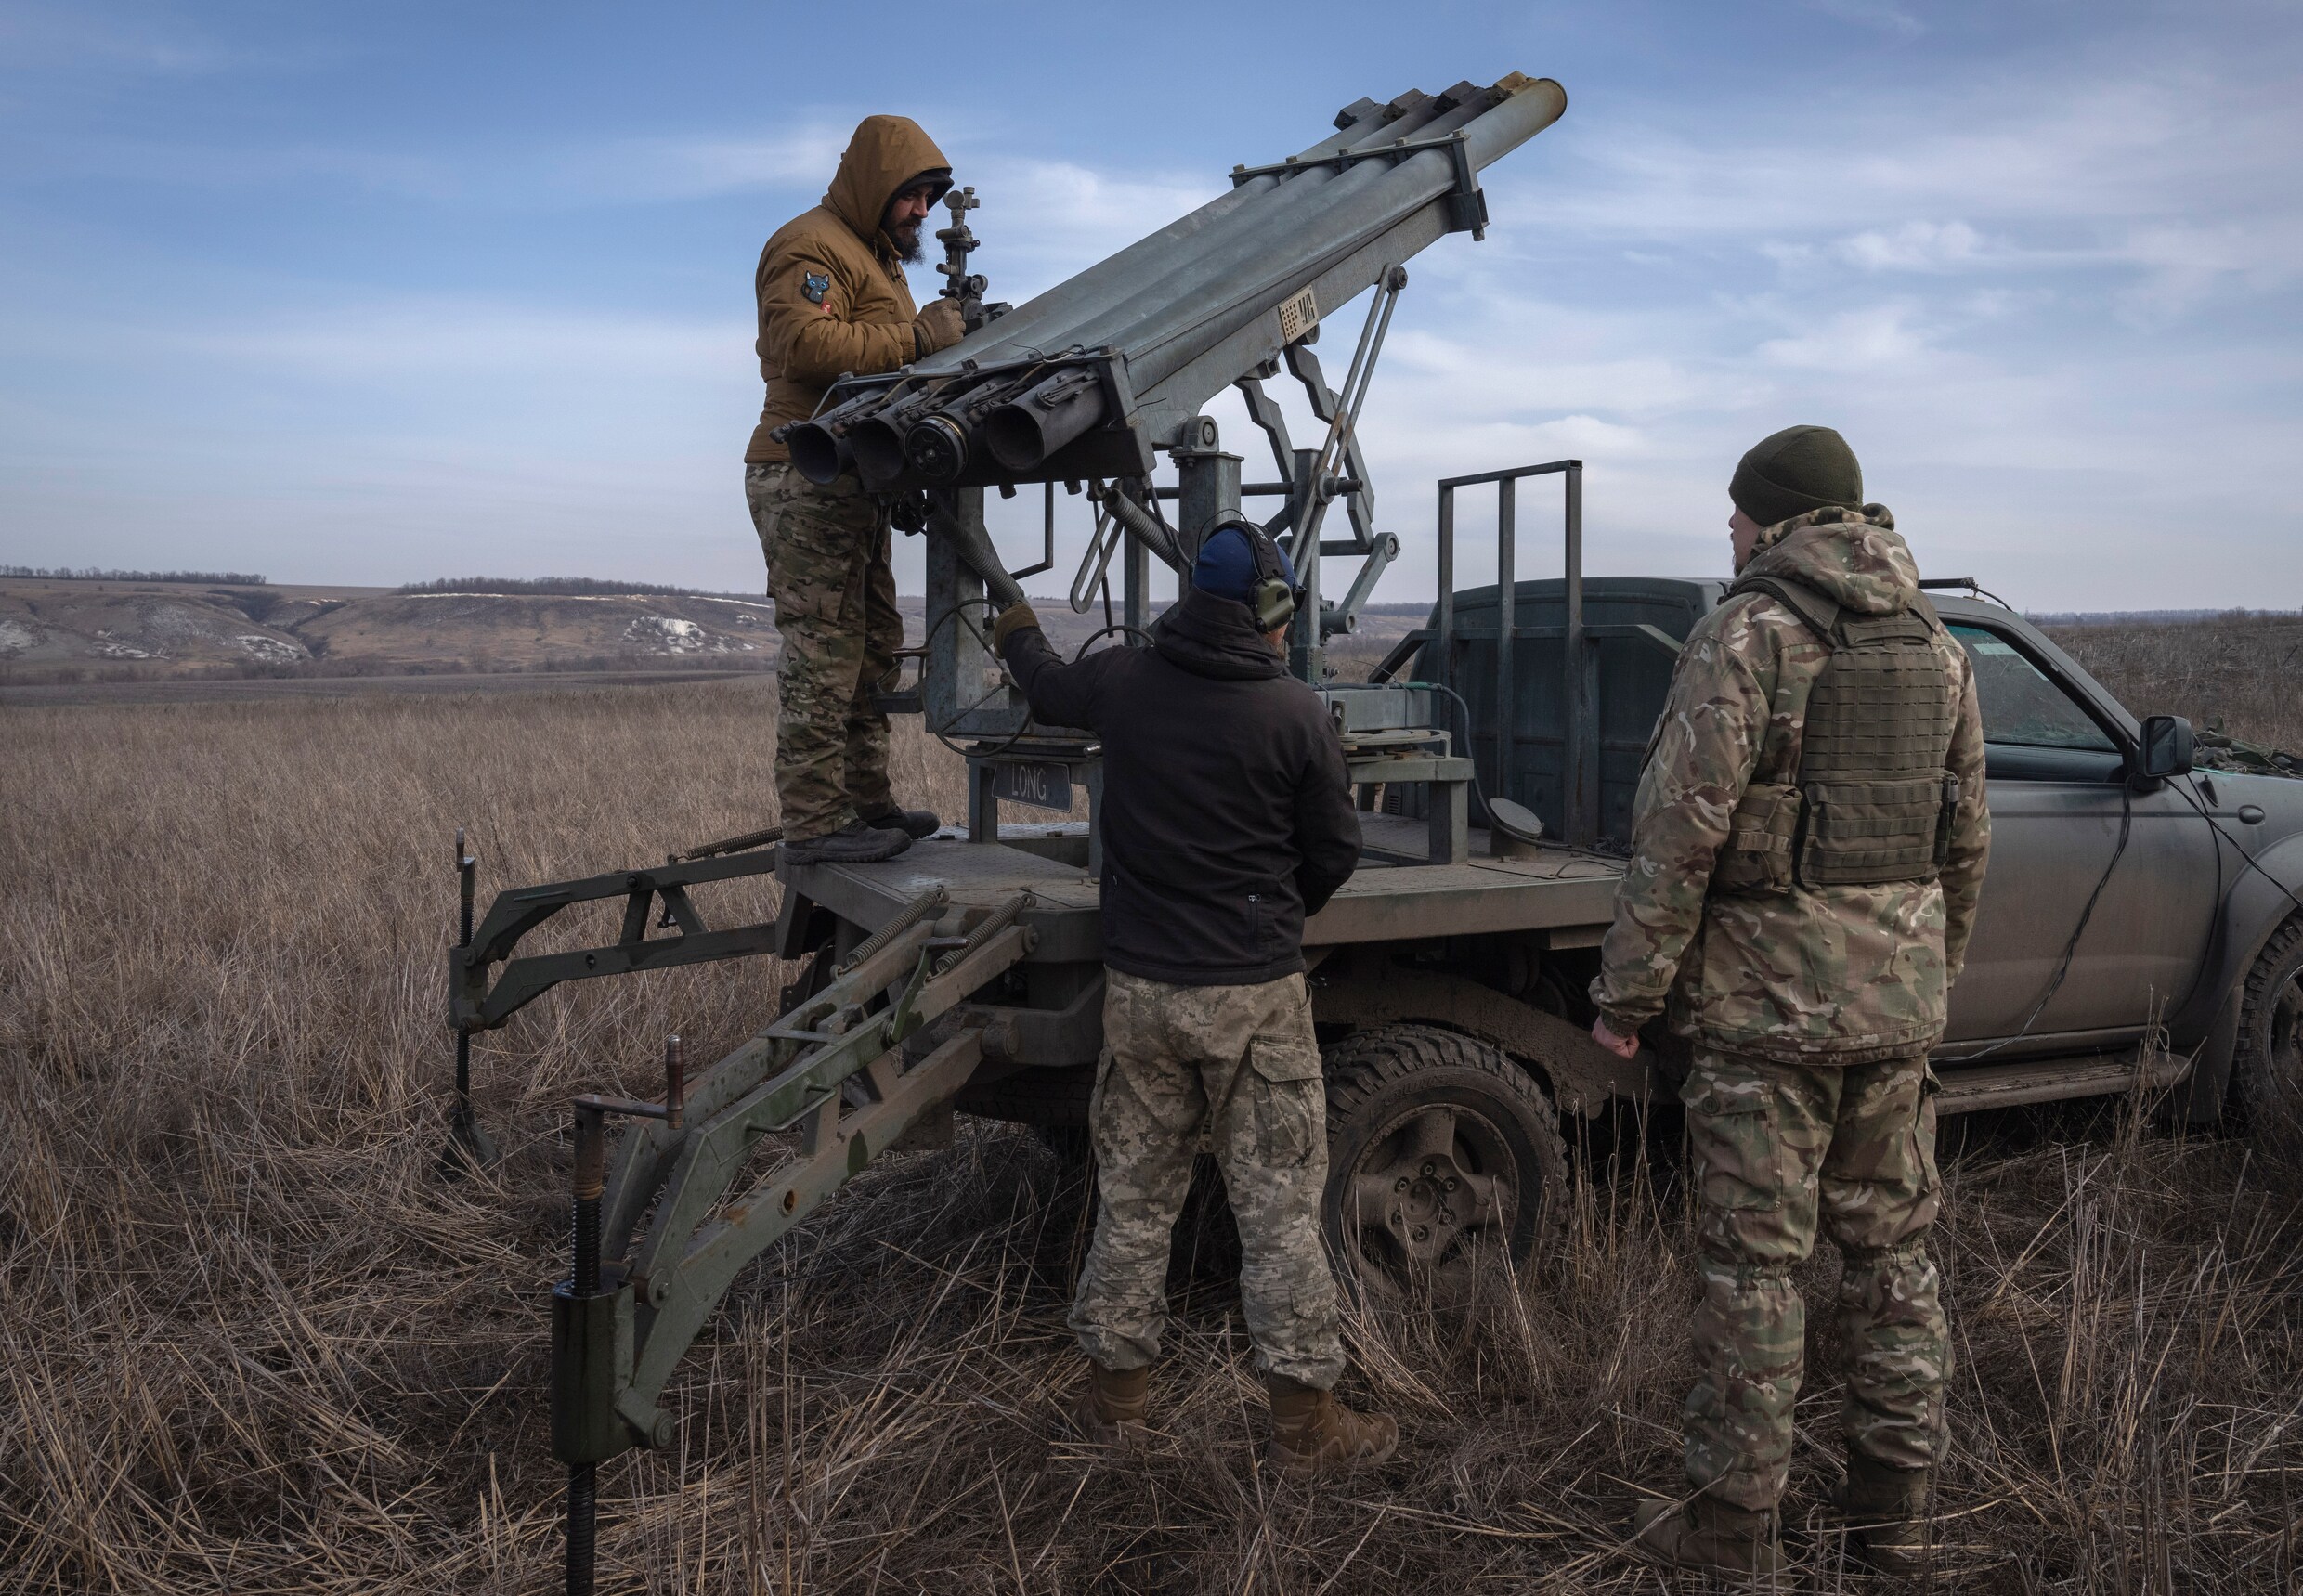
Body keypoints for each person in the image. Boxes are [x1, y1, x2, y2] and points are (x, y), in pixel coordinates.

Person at [1587, 425, 1990, 1575]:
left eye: (1735, 512)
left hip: (1767, 1025)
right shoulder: (1937, 648)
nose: (1727, 529)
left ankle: (1727, 1544)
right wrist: (1928, 977)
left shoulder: (1747, 635)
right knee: (1893, 1268)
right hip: (1894, 1016)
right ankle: (1895, 1526)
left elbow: (1678, 835)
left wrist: (1627, 994)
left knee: (1752, 1279)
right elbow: (1965, 842)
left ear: (1776, 518)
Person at [989, 521, 1398, 1477]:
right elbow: (1334, 850)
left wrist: (1012, 627)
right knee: (1278, 1214)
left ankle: (1117, 1410)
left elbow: (1047, 685)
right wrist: (1269, 914)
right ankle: (1306, 1432)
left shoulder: (1126, 682)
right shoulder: (1295, 714)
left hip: (1140, 993)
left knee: (1133, 1201)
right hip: (1251, 999)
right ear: (1269, 612)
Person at [745, 115, 969, 866]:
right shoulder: (810, 246)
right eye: (912, 197)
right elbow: (803, 346)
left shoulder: (877, 261)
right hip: (802, 472)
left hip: (852, 478)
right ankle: (814, 824)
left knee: (872, 646)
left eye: (931, 201)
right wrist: (919, 339)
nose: (922, 214)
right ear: (877, 186)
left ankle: (864, 803)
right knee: (825, 647)